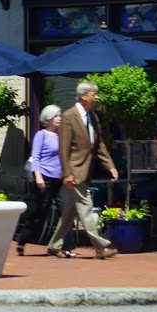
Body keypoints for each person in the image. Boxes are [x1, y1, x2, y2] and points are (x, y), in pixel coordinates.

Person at [46, 81, 119, 259]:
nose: (96, 97)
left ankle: (54, 246)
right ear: (83, 95)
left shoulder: (92, 117)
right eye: (93, 94)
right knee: (86, 208)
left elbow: (98, 144)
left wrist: (110, 166)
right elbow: (64, 149)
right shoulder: (69, 116)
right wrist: (67, 173)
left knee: (70, 211)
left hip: (87, 170)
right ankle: (101, 247)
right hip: (75, 171)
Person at [14, 104, 64, 257]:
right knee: (40, 213)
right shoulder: (41, 135)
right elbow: (36, 157)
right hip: (45, 177)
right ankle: (23, 239)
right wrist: (38, 176)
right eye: (57, 116)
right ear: (48, 118)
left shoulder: (61, 136)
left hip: (60, 178)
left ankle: (62, 246)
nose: (60, 118)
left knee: (66, 210)